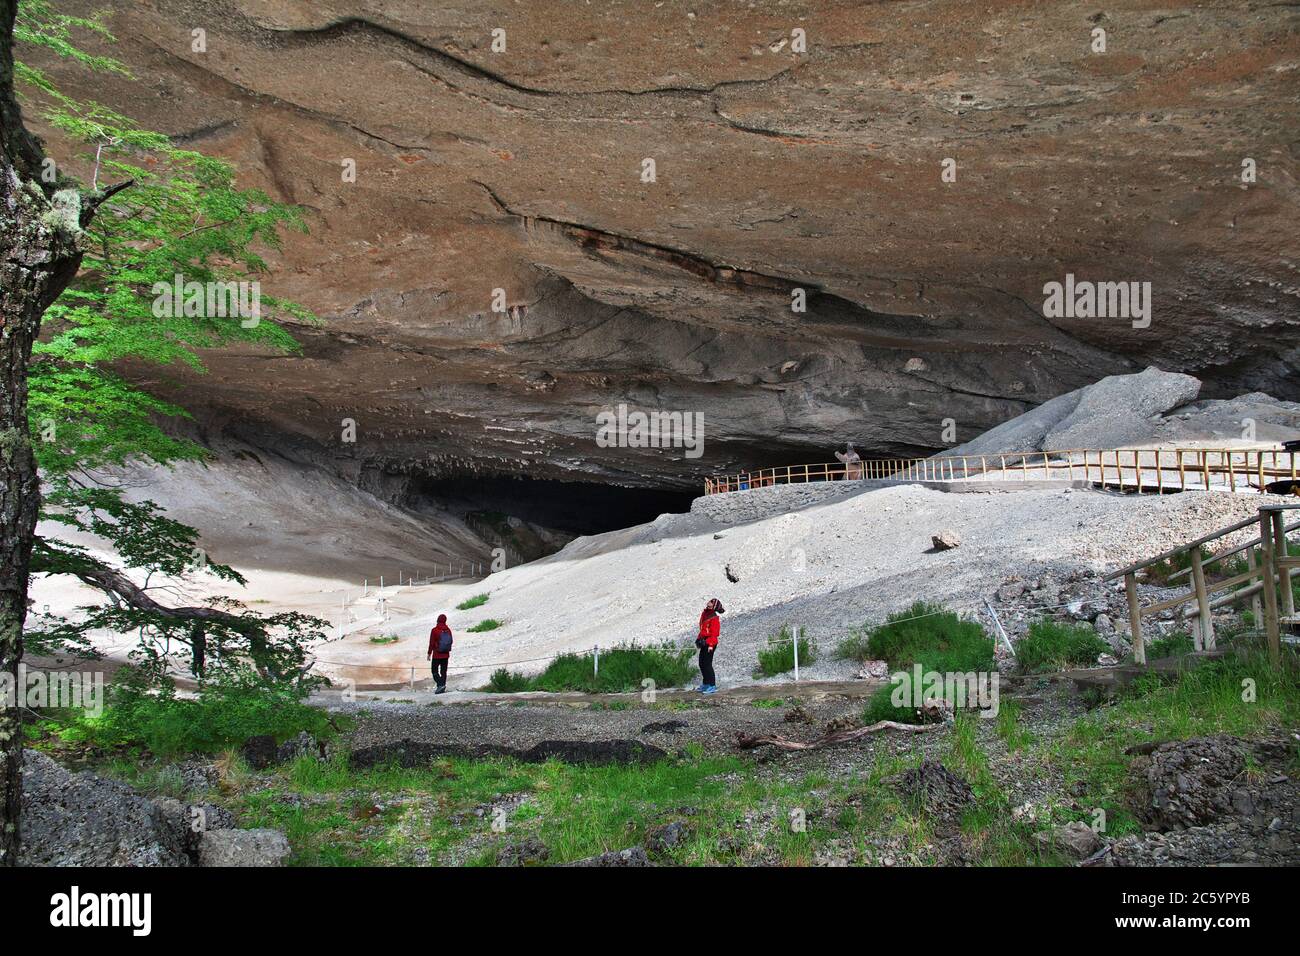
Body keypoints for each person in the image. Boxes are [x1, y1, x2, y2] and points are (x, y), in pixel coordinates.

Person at [695, 598, 724, 694]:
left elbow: (715, 633)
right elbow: (702, 629)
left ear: (714, 606)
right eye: (710, 601)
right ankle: (706, 684)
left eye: (711, 602)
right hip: (704, 641)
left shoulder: (714, 618)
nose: (709, 602)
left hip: (710, 643)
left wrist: (710, 645)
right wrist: (699, 639)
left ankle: (712, 685)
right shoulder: (705, 613)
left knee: (707, 664)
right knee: (701, 663)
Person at [427, 613, 453, 694]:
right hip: (446, 654)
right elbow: (451, 641)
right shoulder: (448, 630)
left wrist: (429, 653)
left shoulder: (434, 630)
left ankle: (440, 685)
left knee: (434, 671)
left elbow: (431, 643)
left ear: (438, 620)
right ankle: (442, 686)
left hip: (437, 654)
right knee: (443, 672)